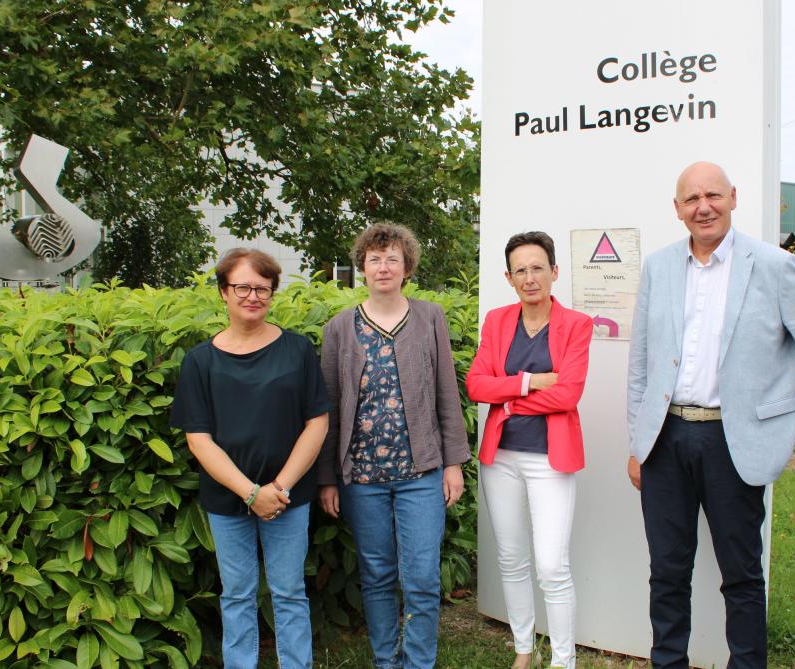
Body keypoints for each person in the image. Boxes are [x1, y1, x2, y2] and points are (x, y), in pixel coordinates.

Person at [626, 162, 795, 668]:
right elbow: (641, 363)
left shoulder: (772, 266)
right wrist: (639, 442)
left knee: (742, 575)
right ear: (677, 209)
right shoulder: (658, 267)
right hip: (664, 440)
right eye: (692, 198)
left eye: (714, 195)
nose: (704, 206)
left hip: (733, 442)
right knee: (667, 572)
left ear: (734, 198)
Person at [317, 223, 469, 669]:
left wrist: (454, 462)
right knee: (378, 576)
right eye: (375, 258)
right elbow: (327, 406)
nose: (383, 267)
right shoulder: (339, 328)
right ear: (362, 266)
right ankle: (387, 661)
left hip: (421, 474)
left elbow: (446, 391)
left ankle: (418, 663)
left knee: (421, 579)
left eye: (393, 259)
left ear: (407, 268)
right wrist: (327, 477)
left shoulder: (430, 317)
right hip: (361, 478)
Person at [170, 248, 330, 669]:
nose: (252, 296)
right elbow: (199, 439)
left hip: (287, 499)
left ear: (273, 293)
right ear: (223, 292)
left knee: (290, 591)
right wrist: (250, 492)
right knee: (237, 594)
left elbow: (317, 424)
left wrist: (278, 489)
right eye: (242, 287)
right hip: (228, 502)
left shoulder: (297, 350)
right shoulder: (200, 361)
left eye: (262, 288)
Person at [466, 231, 593, 669]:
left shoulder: (576, 324)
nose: (529, 277)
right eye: (520, 269)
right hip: (500, 458)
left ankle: (563, 660)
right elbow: (475, 385)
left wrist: (507, 397)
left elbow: (568, 395)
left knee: (552, 565)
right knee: (511, 556)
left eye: (537, 267)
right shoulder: (497, 321)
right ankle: (524, 649)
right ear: (508, 276)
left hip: (549, 459)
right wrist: (530, 381)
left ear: (554, 272)